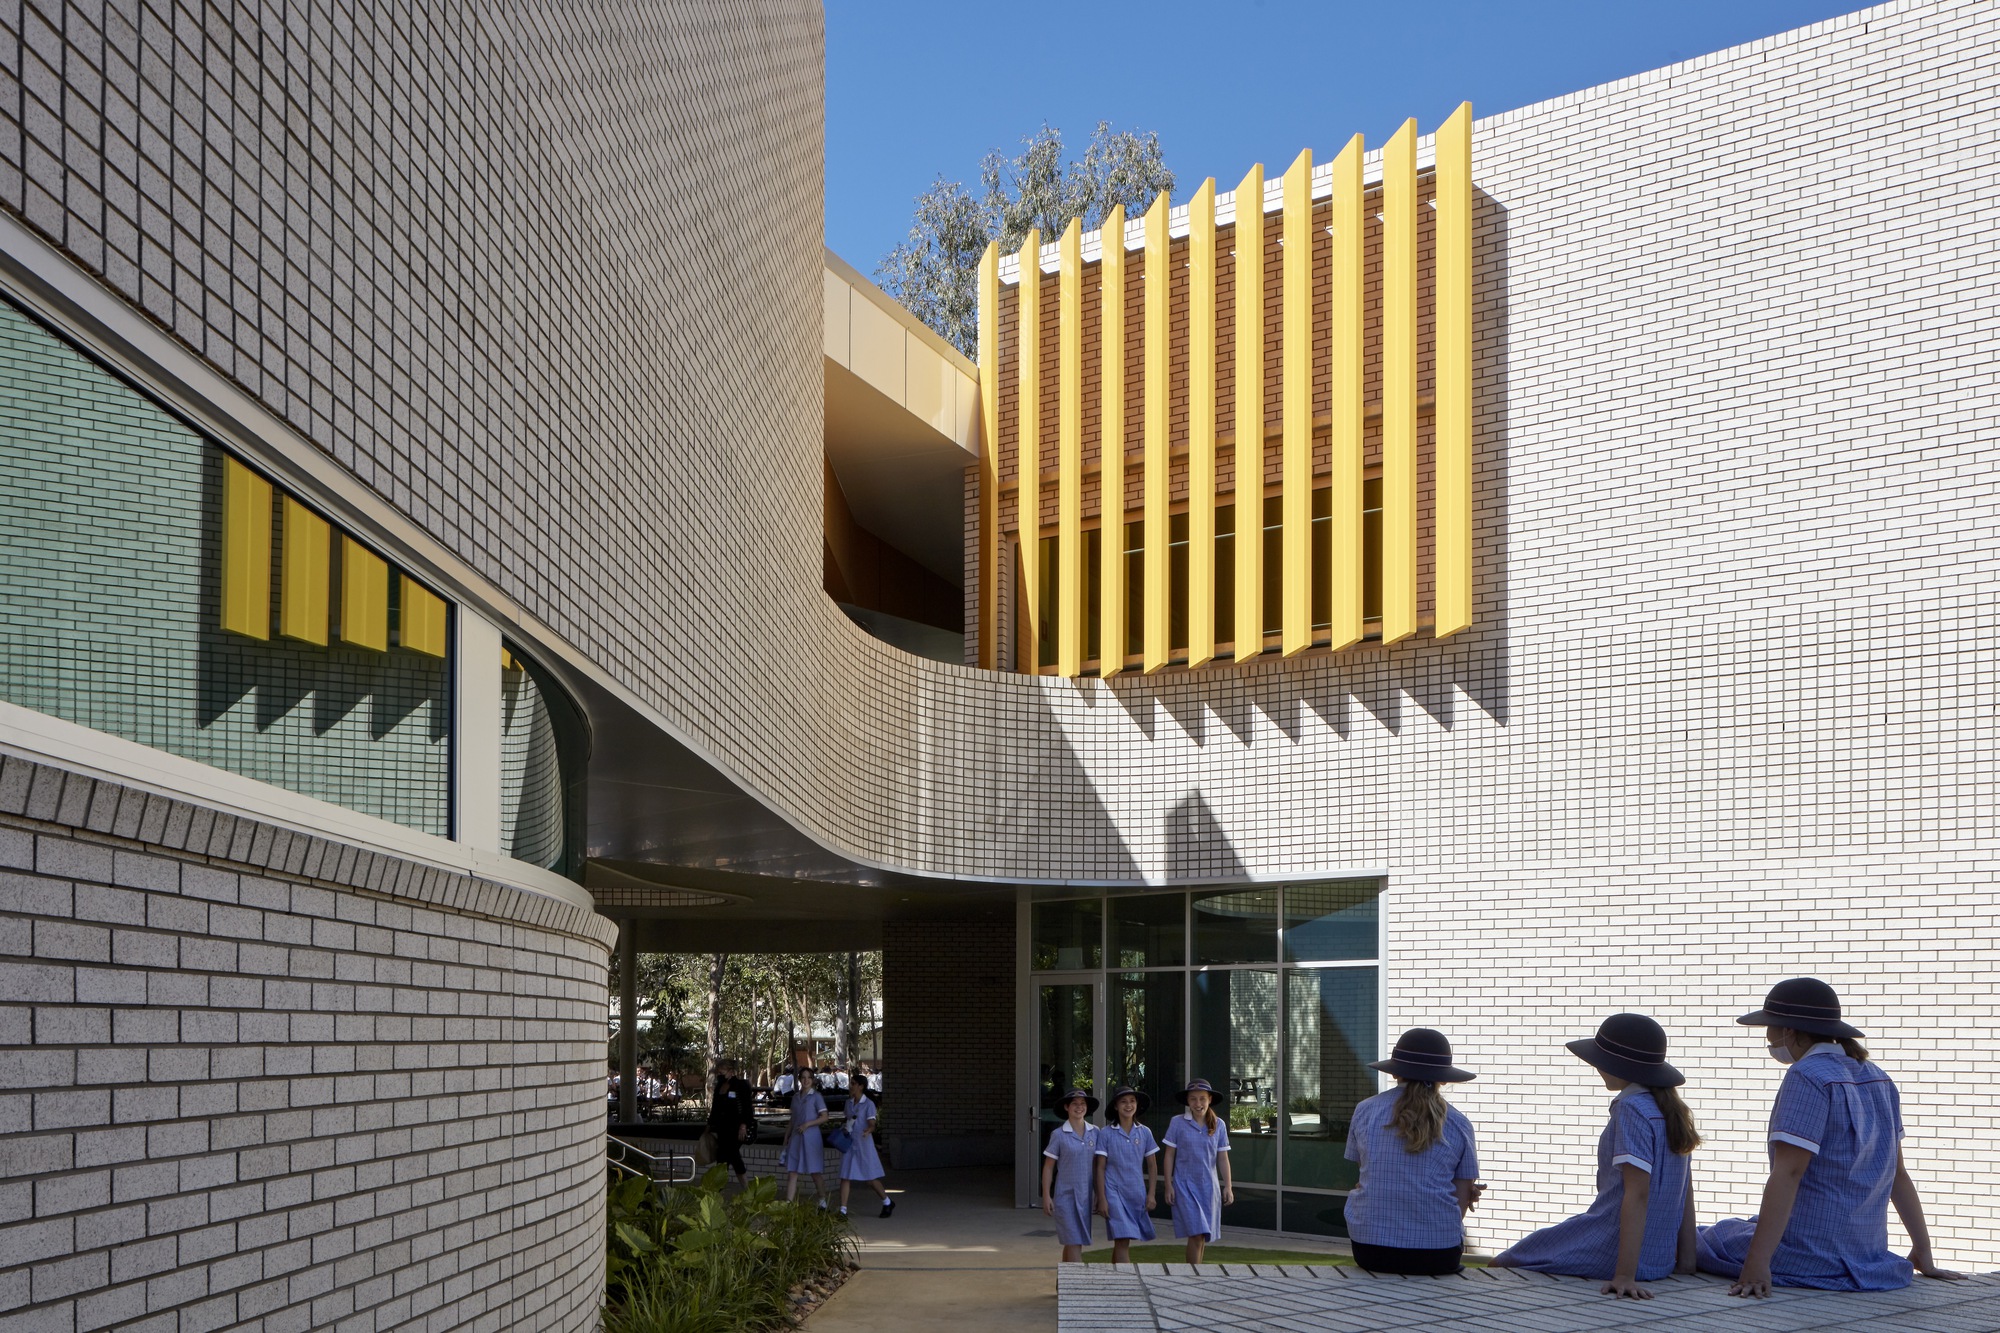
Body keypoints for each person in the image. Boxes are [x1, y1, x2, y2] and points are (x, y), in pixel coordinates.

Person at [1695, 978, 1966, 1296]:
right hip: (1867, 1255)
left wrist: (1756, 1265)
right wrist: (1923, 1251)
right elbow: (1898, 1174)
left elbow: (1788, 1173)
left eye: (1769, 1027)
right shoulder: (1879, 1078)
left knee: (1704, 1237)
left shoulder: (1806, 1076)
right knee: (1743, 1226)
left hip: (1812, 1255)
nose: (1768, 1037)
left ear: (1789, 1031)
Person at [1493, 1014, 1698, 1297]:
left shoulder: (1631, 1108)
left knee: (1507, 1260)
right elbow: (1684, 1188)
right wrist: (1687, 1260)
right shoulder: (1670, 1112)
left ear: (1620, 1065)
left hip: (1612, 1245)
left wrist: (1624, 1276)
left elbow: (1637, 1193)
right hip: (1657, 1260)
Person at [1342, 1028, 1483, 1276]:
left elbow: (1365, 1176)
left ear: (1395, 1072)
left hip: (1369, 1250)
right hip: (1438, 1253)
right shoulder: (1460, 1123)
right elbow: (1462, 1199)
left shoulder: (1365, 1110)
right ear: (1444, 1078)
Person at [1162, 1078, 1233, 1264]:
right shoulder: (1177, 1123)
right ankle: (1193, 1273)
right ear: (1187, 1101)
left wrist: (1228, 1186)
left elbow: (1223, 1158)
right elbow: (1169, 1155)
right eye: (1193, 1099)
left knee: (1202, 1236)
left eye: (1202, 1098)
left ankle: (1196, 1273)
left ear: (1209, 1099)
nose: (1198, 1103)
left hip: (1209, 1188)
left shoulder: (1219, 1125)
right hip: (1184, 1186)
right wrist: (1168, 1185)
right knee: (1195, 1233)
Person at [1093, 1085, 1158, 1265]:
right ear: (1116, 1106)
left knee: (1123, 1240)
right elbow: (1100, 1168)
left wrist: (1151, 1194)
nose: (1128, 1105)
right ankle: (1128, 1279)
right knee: (1122, 1237)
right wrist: (1101, 1198)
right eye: (1123, 1102)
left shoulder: (1145, 1132)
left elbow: (1152, 1166)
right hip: (1113, 1191)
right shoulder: (1106, 1133)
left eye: (1132, 1101)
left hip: (1136, 1192)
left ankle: (1115, 1277)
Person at [1041, 1089, 1099, 1263]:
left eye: (1082, 1104)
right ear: (1067, 1107)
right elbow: (1048, 1167)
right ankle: (1078, 1278)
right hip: (1065, 1196)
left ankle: (1065, 1277)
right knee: (1073, 1240)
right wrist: (1046, 1196)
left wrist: (1099, 1193)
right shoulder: (1058, 1135)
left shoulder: (1095, 1132)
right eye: (1074, 1103)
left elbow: (1098, 1166)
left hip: (1086, 1196)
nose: (1079, 1107)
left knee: (1074, 1240)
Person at [838, 1072, 893, 1218]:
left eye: (853, 1084)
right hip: (849, 1143)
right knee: (845, 1176)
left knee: (870, 1178)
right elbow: (847, 1119)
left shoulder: (868, 1104)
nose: (850, 1086)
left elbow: (872, 1123)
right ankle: (842, 1209)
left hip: (863, 1144)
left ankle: (887, 1201)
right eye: (851, 1083)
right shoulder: (848, 1103)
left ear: (861, 1086)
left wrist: (869, 1129)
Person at [781, 1071, 831, 1206]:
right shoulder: (795, 1097)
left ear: (813, 1080)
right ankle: (788, 1204)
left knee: (815, 1172)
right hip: (796, 1138)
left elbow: (824, 1117)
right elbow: (793, 1119)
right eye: (803, 1077)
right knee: (793, 1172)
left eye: (809, 1077)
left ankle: (822, 1201)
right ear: (799, 1079)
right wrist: (787, 1135)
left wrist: (808, 1124)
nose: (806, 1080)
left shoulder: (816, 1096)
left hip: (811, 1139)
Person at [705, 1057, 753, 1185]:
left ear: (730, 1071)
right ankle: (719, 1188)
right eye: (718, 1072)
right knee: (723, 1158)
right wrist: (709, 1125)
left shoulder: (740, 1085)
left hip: (735, 1128)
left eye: (722, 1072)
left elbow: (747, 1108)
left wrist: (743, 1125)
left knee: (733, 1155)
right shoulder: (719, 1086)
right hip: (722, 1128)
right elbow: (715, 1108)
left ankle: (746, 1188)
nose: (720, 1075)